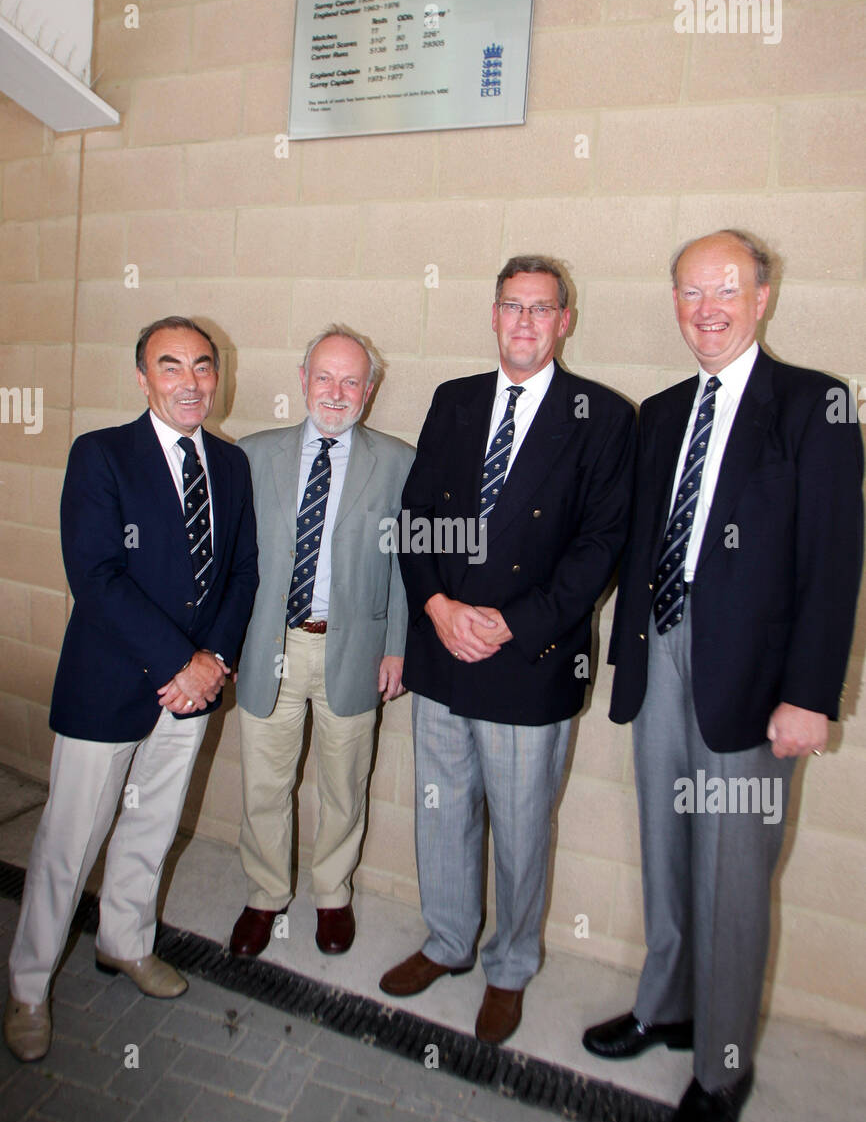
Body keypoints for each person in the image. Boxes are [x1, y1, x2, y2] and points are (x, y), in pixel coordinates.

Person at [583, 230, 864, 1122]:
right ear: (674, 303)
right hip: (661, 655)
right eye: (691, 292)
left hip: (756, 678)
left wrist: (810, 695)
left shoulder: (814, 404)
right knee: (666, 846)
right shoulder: (661, 411)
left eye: (726, 290)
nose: (707, 309)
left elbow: (834, 564)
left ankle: (723, 1066)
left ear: (763, 295)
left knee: (735, 875)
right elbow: (632, 544)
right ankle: (668, 1007)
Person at [379, 255, 636, 1045]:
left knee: (523, 828)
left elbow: (600, 546)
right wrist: (436, 604)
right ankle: (449, 942)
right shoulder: (454, 402)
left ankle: (511, 965)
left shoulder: (603, 414)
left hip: (530, 658)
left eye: (540, 308)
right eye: (510, 307)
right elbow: (416, 516)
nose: (523, 322)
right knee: (441, 810)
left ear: (565, 320)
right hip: (442, 647)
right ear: (493, 316)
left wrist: (513, 622)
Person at [4, 317, 258, 1062]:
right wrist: (181, 663)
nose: (190, 382)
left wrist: (211, 660)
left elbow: (244, 571)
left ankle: (125, 942)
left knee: (152, 827)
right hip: (111, 683)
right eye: (170, 366)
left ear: (218, 375)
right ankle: (26, 987)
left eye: (202, 366)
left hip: (192, 690)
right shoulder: (101, 455)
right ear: (142, 378)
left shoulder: (233, 466)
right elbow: (97, 575)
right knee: (67, 842)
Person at [229, 325, 414, 960]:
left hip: (352, 649)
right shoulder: (252, 455)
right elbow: (232, 563)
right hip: (268, 647)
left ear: (370, 388)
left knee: (345, 783)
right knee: (263, 784)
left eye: (351, 380)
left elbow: (407, 566)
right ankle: (264, 894)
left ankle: (332, 895)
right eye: (325, 378)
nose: (337, 392)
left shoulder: (398, 461)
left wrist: (398, 646)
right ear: (303, 380)